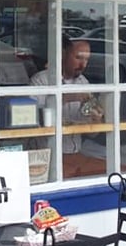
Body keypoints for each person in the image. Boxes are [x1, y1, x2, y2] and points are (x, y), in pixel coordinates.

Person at [31, 36, 105, 178]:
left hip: (75, 154)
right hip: (44, 154)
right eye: (78, 58)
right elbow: (32, 119)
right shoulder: (41, 80)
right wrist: (66, 98)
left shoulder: (84, 83)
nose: (83, 65)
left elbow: (91, 133)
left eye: (87, 60)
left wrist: (96, 120)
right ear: (64, 54)